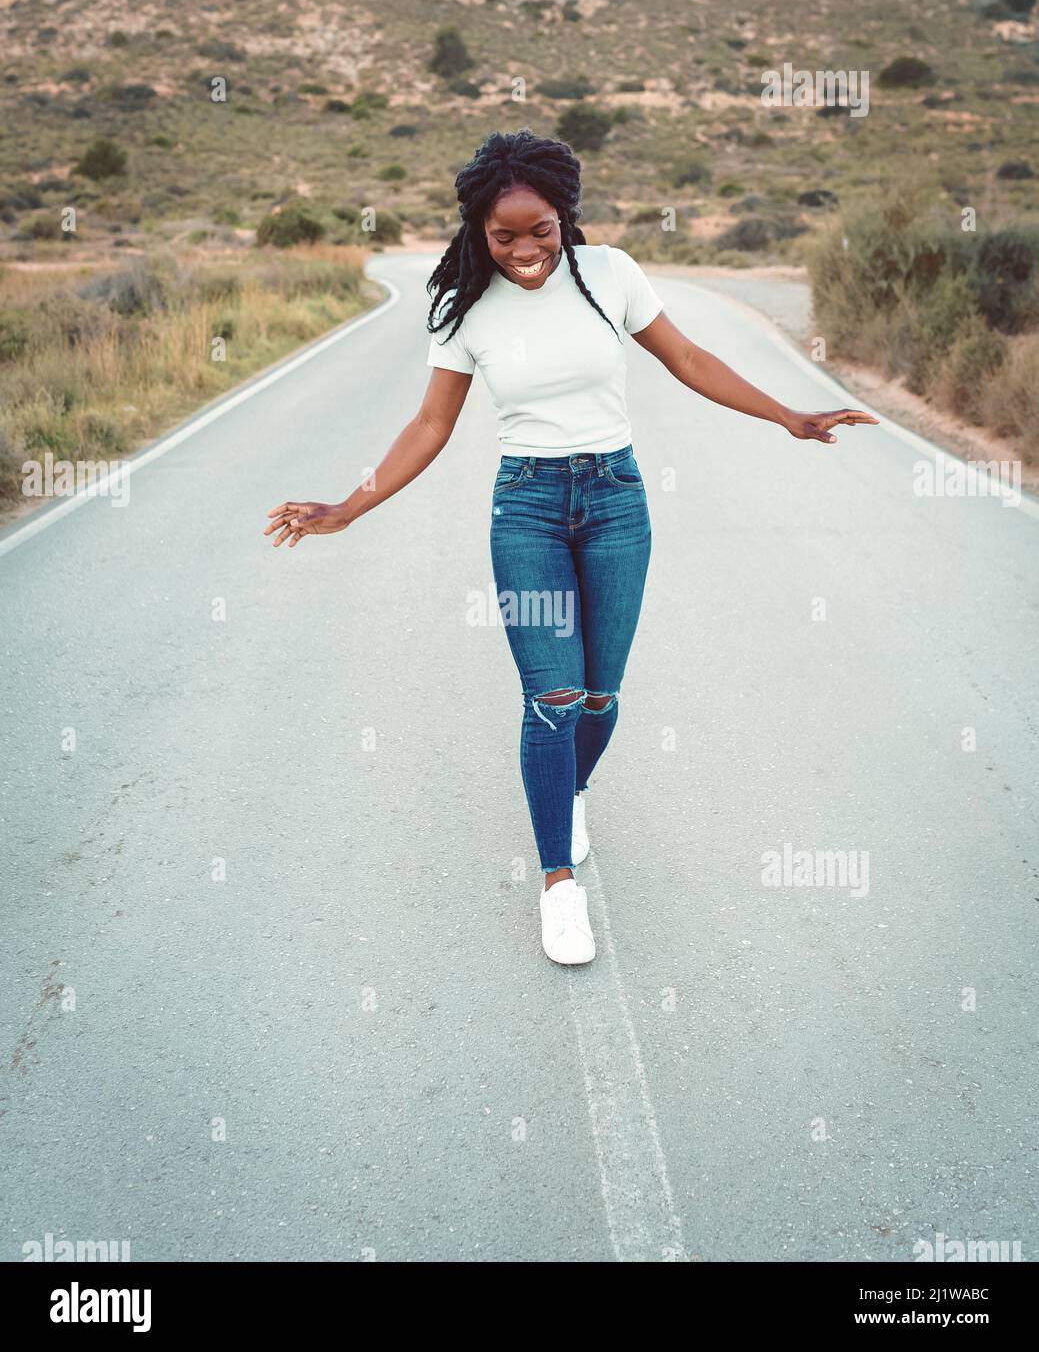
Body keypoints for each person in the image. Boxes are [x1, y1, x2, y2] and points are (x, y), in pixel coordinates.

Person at [264, 127, 877, 967]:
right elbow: (431, 424)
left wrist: (790, 417)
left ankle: (570, 791)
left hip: (617, 501)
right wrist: (350, 507)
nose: (524, 249)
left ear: (565, 217)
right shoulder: (463, 308)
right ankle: (557, 886)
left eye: (539, 229)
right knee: (550, 696)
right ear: (478, 230)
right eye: (503, 234)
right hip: (527, 507)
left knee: (600, 695)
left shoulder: (610, 275)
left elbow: (689, 359)